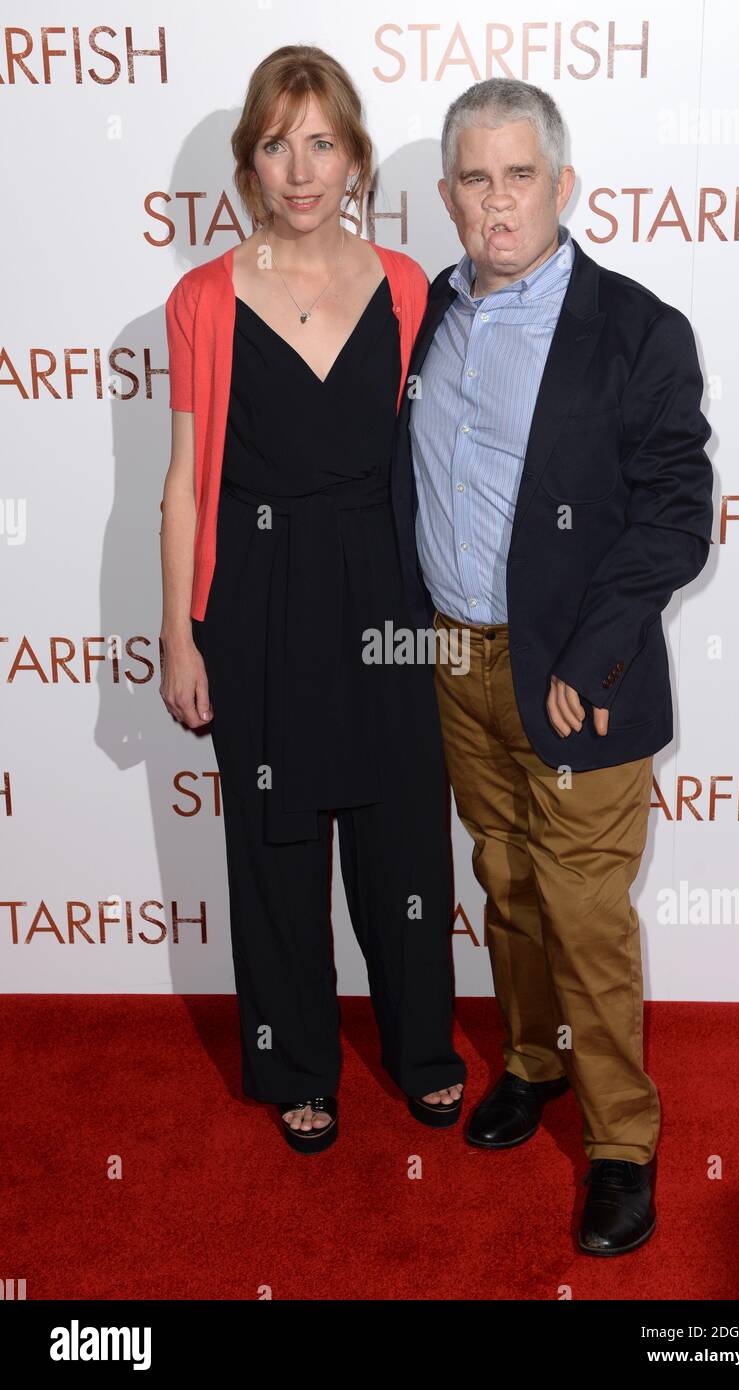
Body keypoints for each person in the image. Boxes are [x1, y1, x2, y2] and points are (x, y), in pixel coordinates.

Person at [391, 78, 713, 1252]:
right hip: (456, 661)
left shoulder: (636, 329)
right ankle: (534, 1060)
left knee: (582, 912)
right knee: (507, 882)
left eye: (519, 176)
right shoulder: (427, 313)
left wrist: (593, 648)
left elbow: (676, 513)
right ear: (446, 196)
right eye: (474, 180)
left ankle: (622, 1139)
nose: (497, 202)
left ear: (562, 184)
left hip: (579, 680)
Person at [159, 45, 465, 1153]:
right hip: (258, 597)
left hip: (386, 589)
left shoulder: (408, 285)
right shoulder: (202, 298)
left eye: (321, 143)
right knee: (275, 844)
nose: (300, 170)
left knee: (404, 836)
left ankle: (423, 1048)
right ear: (249, 163)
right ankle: (297, 1064)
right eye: (277, 145)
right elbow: (184, 483)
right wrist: (178, 636)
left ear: (354, 160)